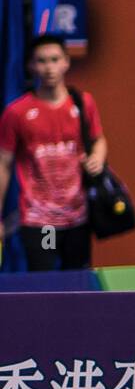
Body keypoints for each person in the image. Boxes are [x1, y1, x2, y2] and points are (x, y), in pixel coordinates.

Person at [0, 35, 108, 271]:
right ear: (31, 65)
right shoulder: (17, 112)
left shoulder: (82, 103)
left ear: (66, 62)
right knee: (47, 285)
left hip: (78, 217)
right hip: (41, 222)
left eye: (54, 59)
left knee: (78, 284)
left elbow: (98, 140)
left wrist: (97, 158)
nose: (49, 67)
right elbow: (4, 164)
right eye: (41, 61)